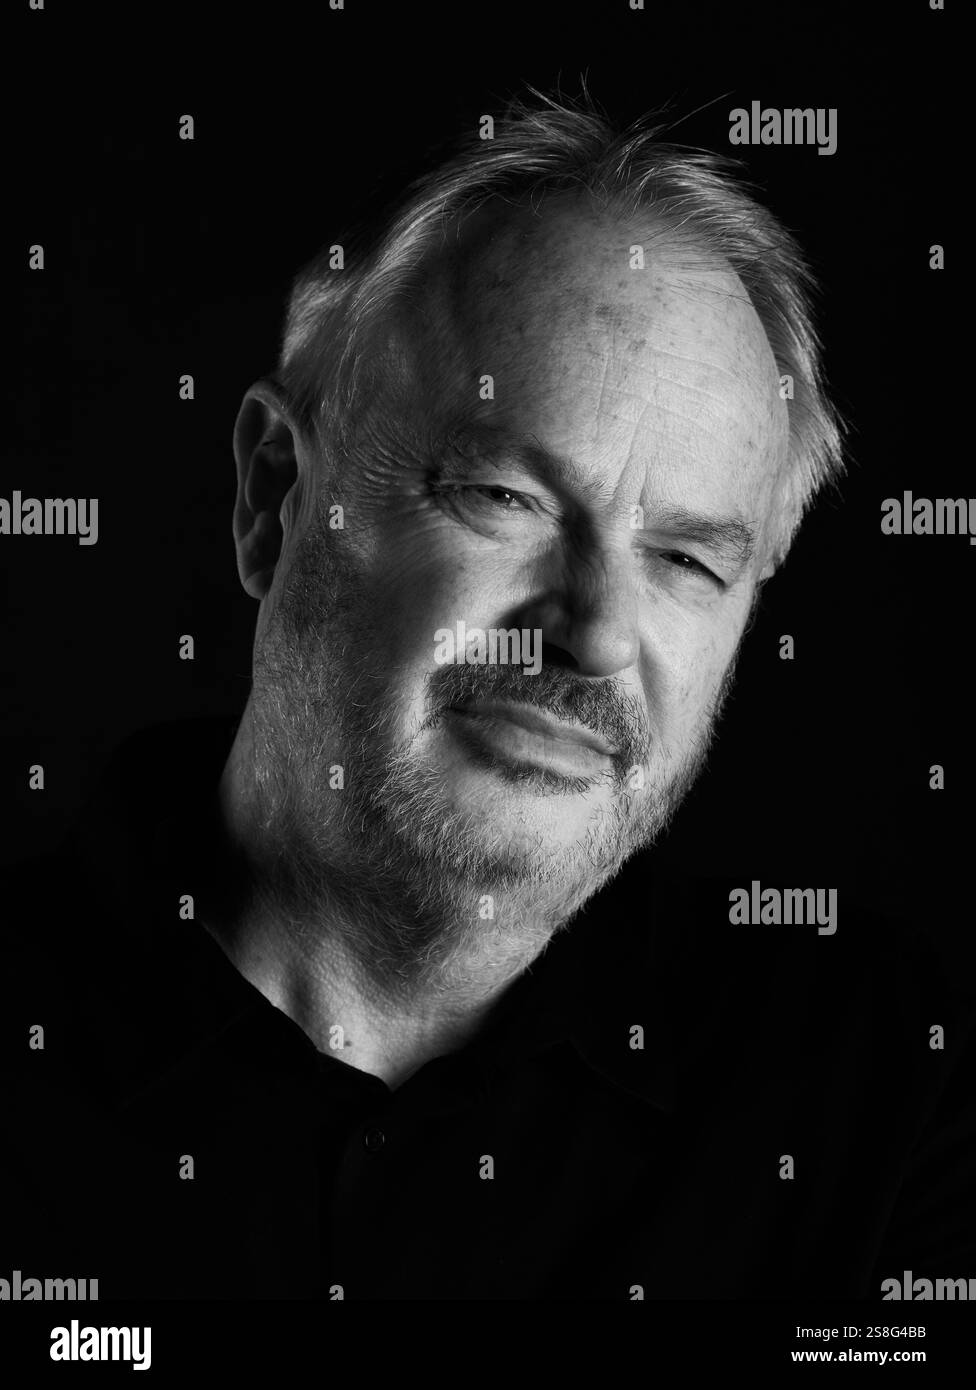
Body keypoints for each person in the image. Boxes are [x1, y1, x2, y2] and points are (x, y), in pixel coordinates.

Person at [3, 90, 973, 1301]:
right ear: (271, 498)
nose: (597, 636)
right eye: (506, 500)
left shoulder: (889, 1102)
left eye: (686, 559)